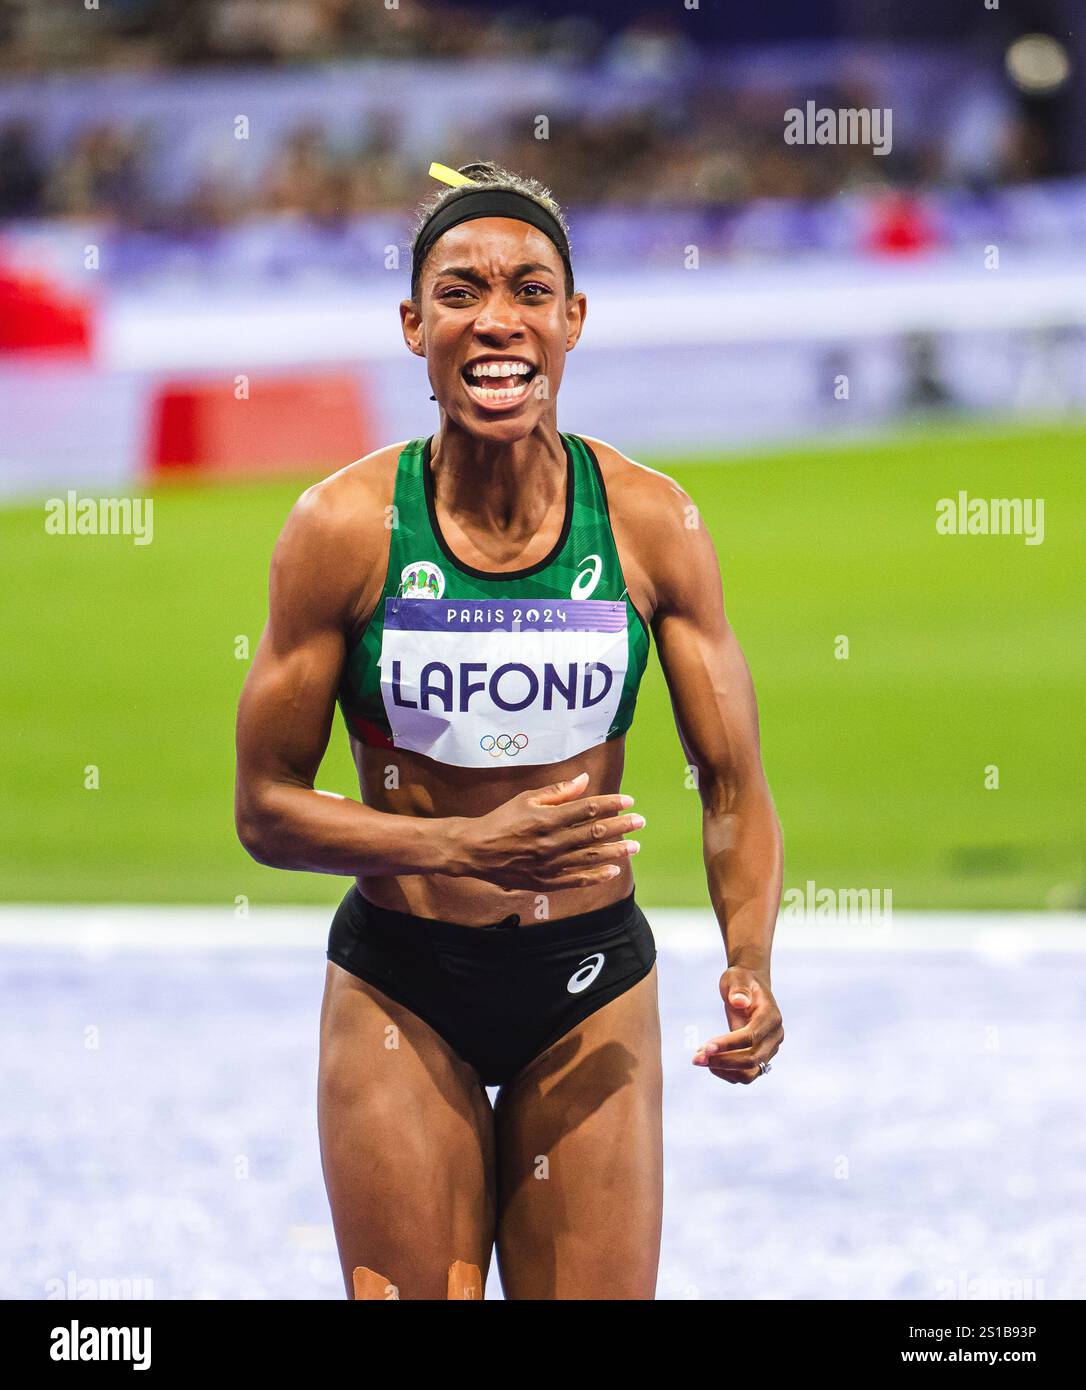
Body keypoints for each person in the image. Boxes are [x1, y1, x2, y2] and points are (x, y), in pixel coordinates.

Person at [234, 161, 784, 1300]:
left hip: (589, 984)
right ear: (412, 323)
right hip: (403, 980)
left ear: (574, 319)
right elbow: (264, 810)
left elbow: (729, 781)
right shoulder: (341, 529)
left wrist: (749, 963)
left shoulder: (651, 525)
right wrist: (453, 849)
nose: (498, 320)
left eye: (531, 290)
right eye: (461, 291)